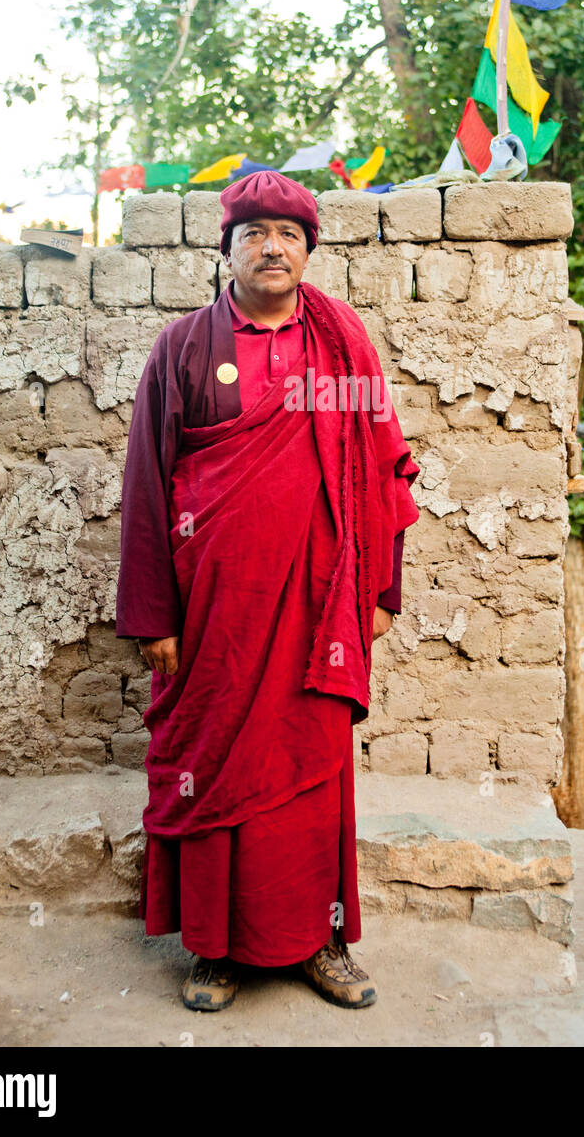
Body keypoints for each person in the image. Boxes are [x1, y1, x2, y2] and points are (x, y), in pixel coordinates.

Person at [116, 169, 420, 1011]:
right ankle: (215, 951)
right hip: (215, 613)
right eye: (253, 233)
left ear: (308, 250)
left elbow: (379, 465)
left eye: (288, 235)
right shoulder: (182, 348)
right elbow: (147, 484)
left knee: (311, 767)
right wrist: (152, 614)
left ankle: (321, 943)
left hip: (323, 607)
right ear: (229, 249)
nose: (272, 247)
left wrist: (381, 590)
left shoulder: (341, 346)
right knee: (214, 769)